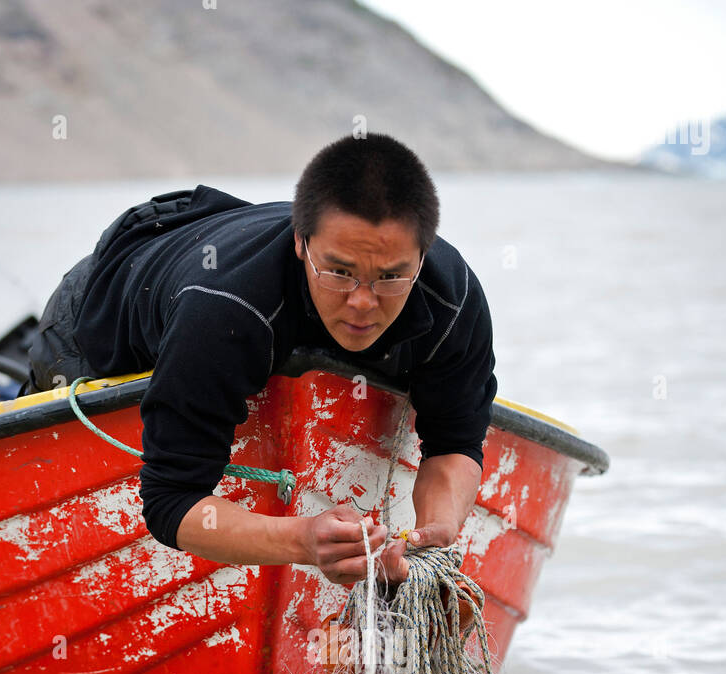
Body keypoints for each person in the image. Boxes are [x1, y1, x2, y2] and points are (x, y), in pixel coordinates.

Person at [24, 133, 497, 589]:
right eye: (339, 271)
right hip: (109, 296)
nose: (361, 302)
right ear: (300, 242)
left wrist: (435, 536)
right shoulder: (222, 308)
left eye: (391, 277)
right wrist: (303, 539)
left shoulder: (452, 302)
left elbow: (456, 440)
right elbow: (170, 500)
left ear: (423, 256)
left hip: (227, 249)